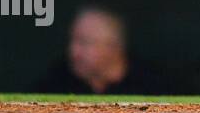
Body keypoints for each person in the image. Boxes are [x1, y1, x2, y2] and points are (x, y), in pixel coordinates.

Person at [34, 7, 162, 95]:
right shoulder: (57, 82)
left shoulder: (152, 85)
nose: (73, 52)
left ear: (112, 46)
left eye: (84, 43)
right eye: (73, 41)